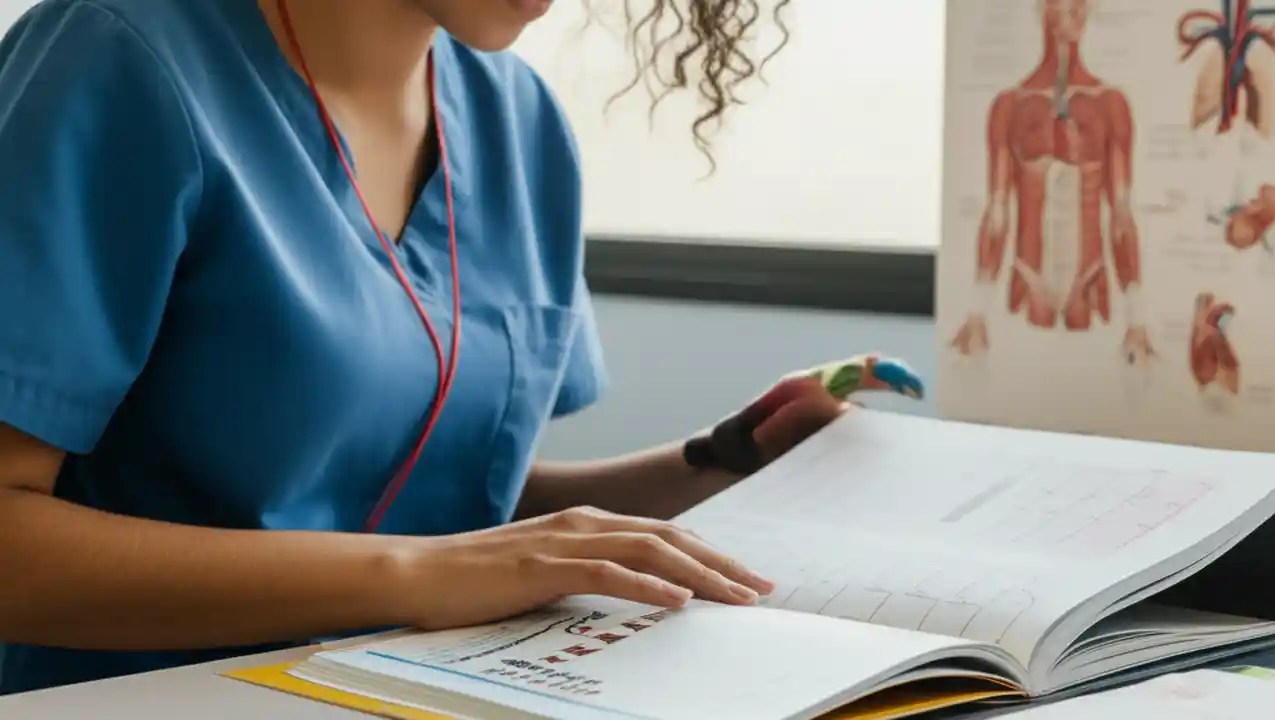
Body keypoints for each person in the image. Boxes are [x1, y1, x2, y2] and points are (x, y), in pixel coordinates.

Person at [0, 0, 916, 696]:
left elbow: (452, 501)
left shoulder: (515, 118)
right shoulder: (116, 60)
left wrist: (724, 456)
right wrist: (422, 573)